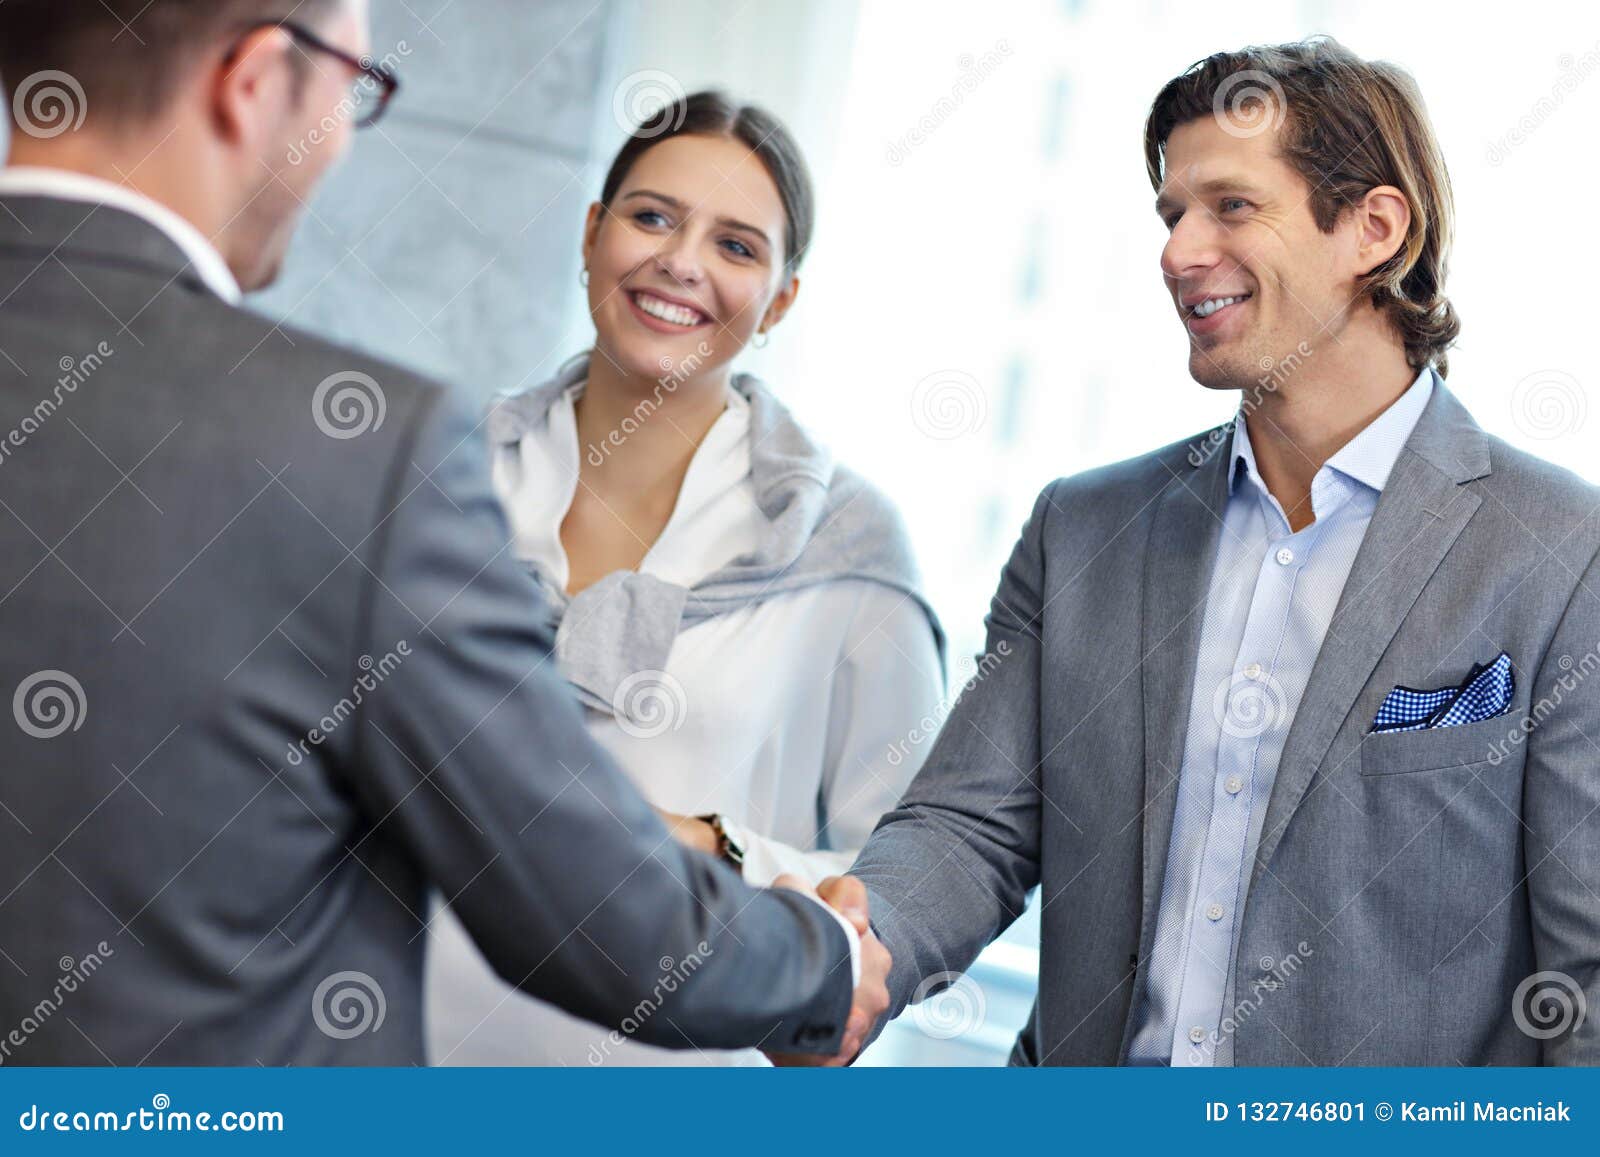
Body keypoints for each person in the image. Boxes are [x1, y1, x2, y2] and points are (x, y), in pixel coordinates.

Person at [0, 0, 889, 1065]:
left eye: (735, 242)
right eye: (349, 89)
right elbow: (581, 904)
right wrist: (821, 958)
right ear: (253, 80)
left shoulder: (851, 546)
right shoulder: (359, 449)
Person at [833, 37, 1600, 1065]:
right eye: (1171, 213)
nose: (1177, 250)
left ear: (1373, 228)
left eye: (1231, 206)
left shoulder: (1562, 556)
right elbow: (968, 829)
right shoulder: (1084, 529)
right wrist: (841, 950)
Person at [425, 91, 946, 1066]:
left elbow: (906, 884)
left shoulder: (847, 543)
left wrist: (715, 846)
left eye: (738, 246)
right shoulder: (439, 480)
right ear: (593, 233)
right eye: (652, 217)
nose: (681, 261)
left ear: (782, 296)